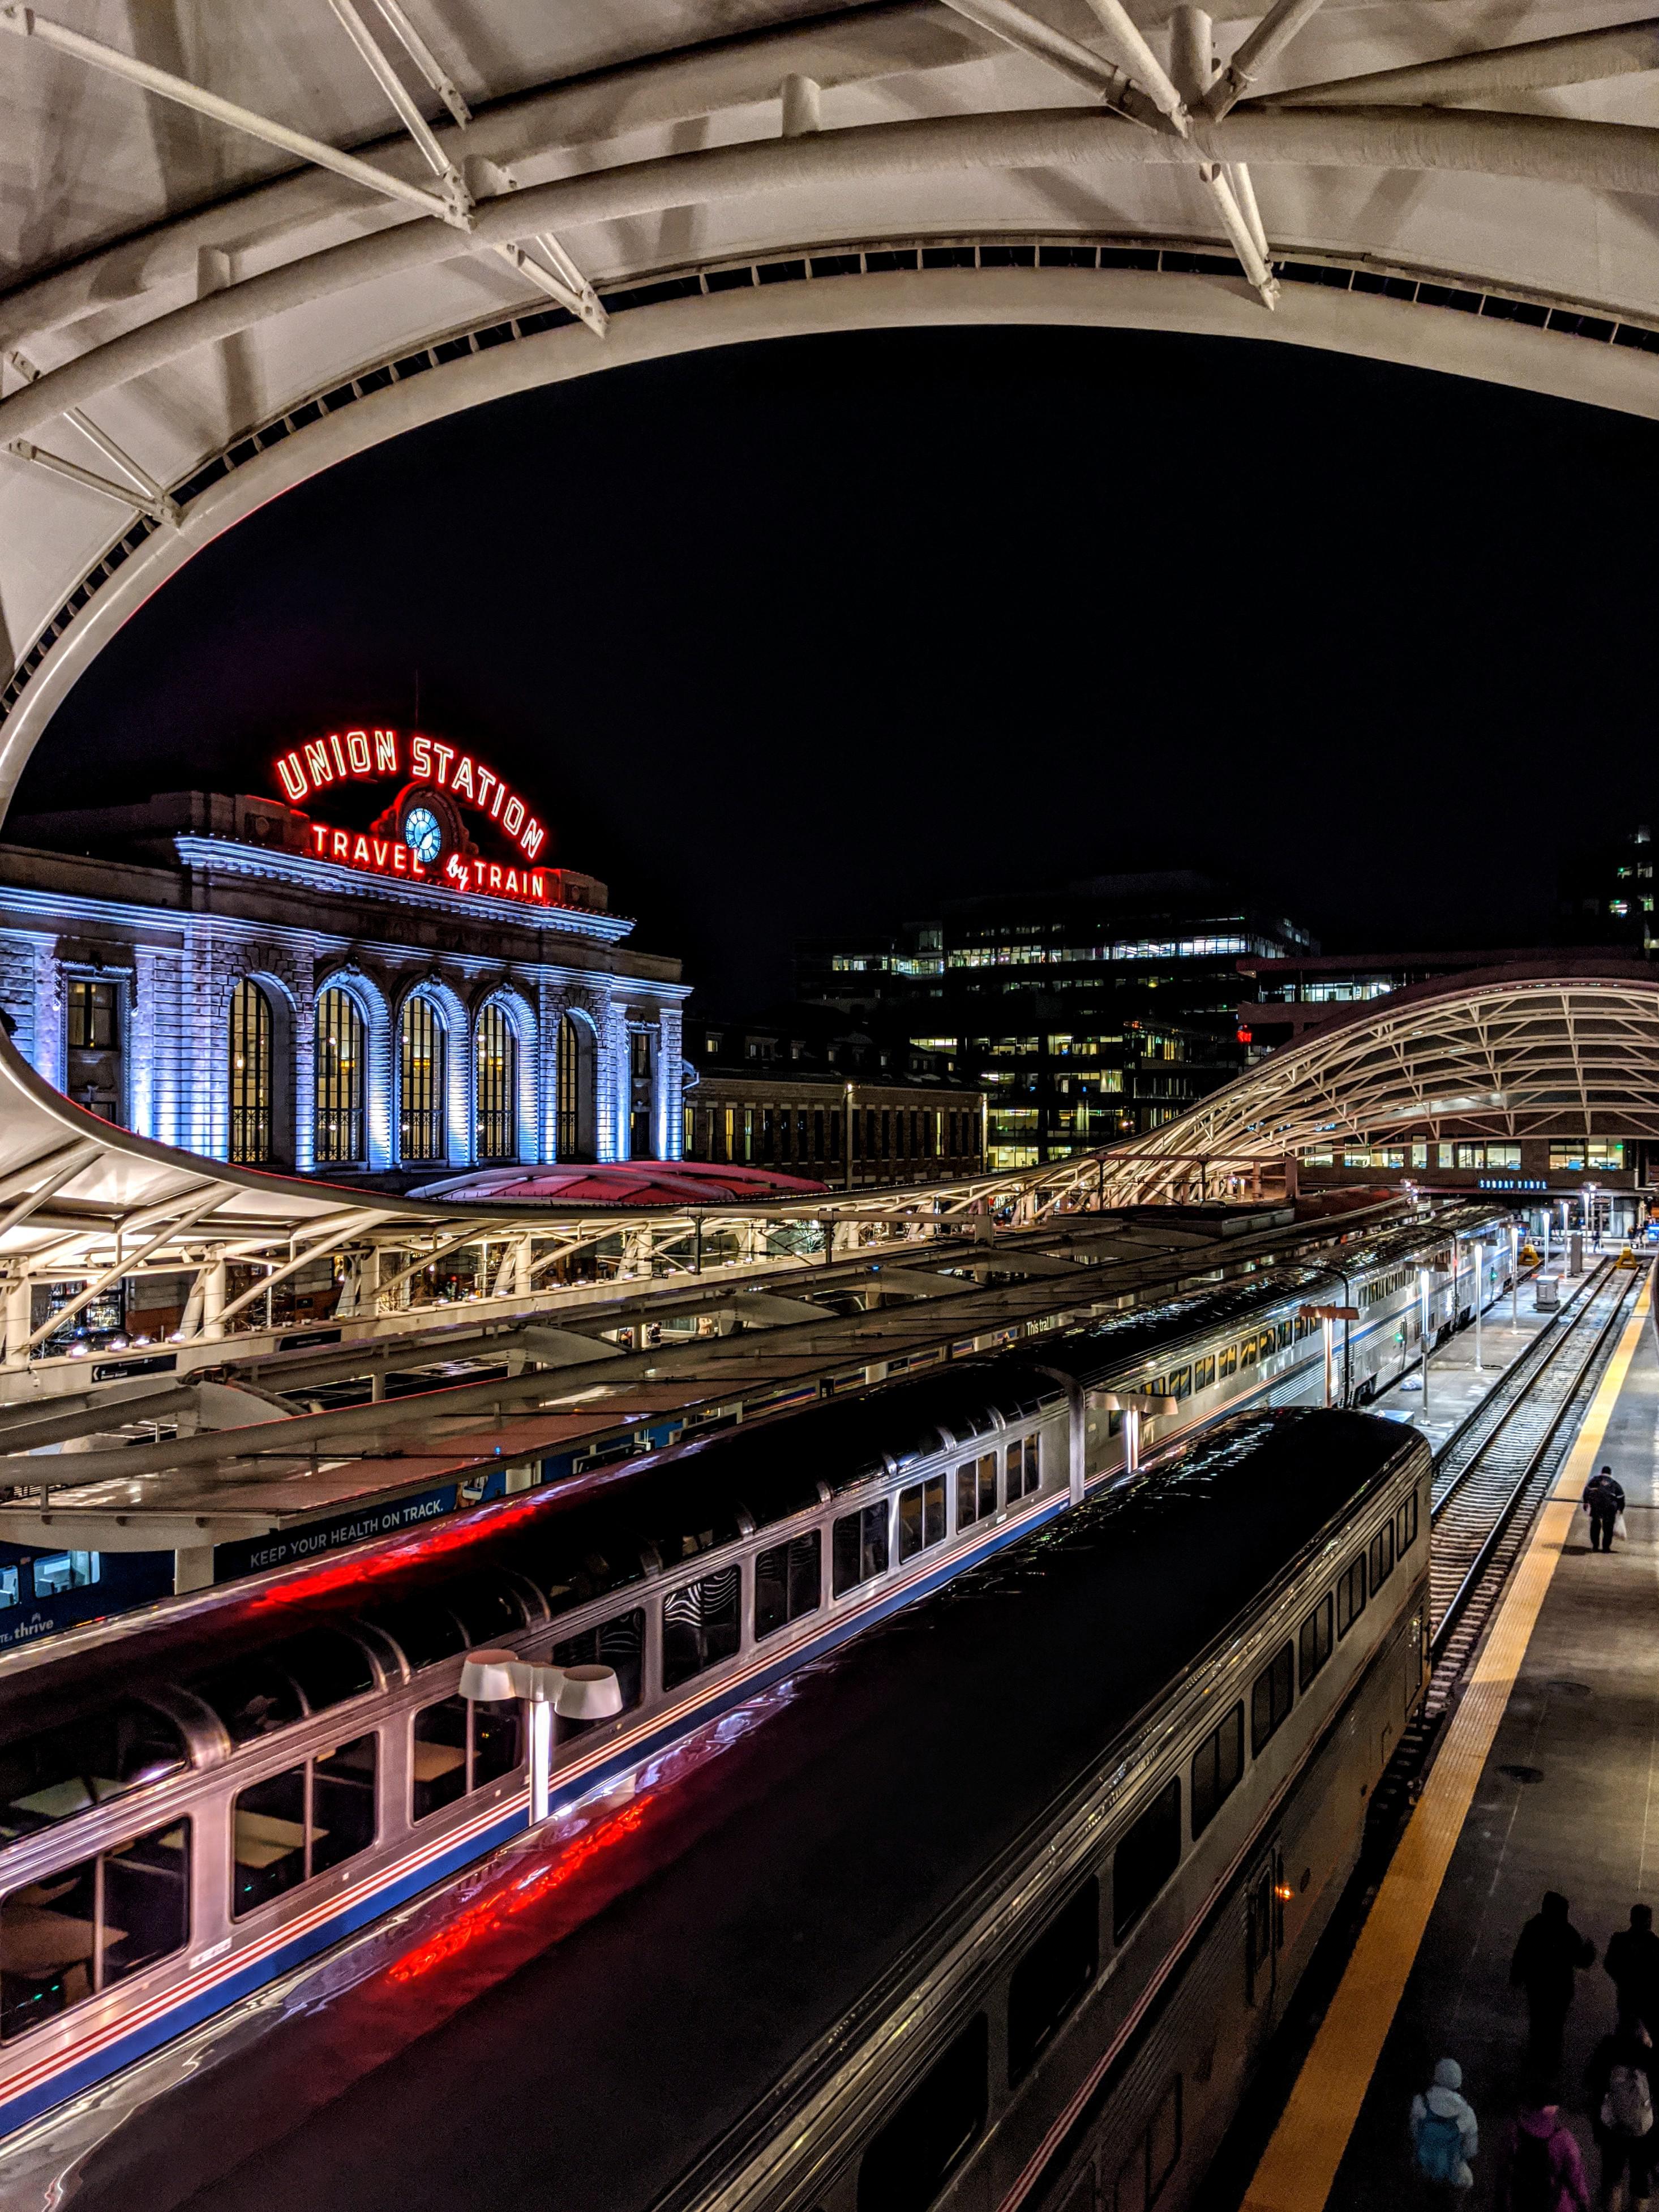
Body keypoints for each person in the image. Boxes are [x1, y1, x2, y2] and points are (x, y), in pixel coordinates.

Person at [1513, 1892, 1598, 2068]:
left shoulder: (1533, 1928)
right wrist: (1590, 1951)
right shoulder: (1567, 1932)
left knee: (1538, 2023)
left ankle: (1536, 2060)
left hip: (1537, 1987)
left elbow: (1521, 1954)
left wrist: (1516, 1977)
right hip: (1560, 1991)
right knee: (1555, 2028)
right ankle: (1549, 2064)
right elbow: (1581, 1960)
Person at [1587, 2016, 1656, 2207]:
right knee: (1641, 2177)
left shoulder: (1608, 2049)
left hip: (1612, 2127)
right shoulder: (1649, 2057)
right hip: (1644, 2131)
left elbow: (1591, 2080)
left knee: (1612, 2177)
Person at [1494, 2090, 1591, 2212]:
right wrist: (1583, 2200)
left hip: (1521, 2200)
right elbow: (1575, 2173)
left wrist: (1501, 2197)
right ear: (1553, 2109)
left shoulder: (1513, 2131)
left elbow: (1503, 2168)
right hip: (1555, 2203)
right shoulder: (1562, 2138)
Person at [1412, 2057, 1480, 2192]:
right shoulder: (1467, 2112)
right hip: (1452, 2174)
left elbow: (1415, 2134)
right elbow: (1471, 2150)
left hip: (1424, 2169)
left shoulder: (1420, 2102)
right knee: (1467, 2181)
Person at [1606, 1908, 1659, 2041]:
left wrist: (1622, 1980)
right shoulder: (1653, 1943)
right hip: (1647, 1997)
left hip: (1628, 1995)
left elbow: (1610, 1965)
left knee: (1627, 2031)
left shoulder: (1620, 1940)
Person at [1583, 1468, 1627, 1554]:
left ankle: (1595, 1546)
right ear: (1610, 1474)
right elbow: (1621, 1498)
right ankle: (1606, 1548)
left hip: (1596, 1506)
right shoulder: (1615, 1484)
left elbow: (1586, 1491)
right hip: (1610, 1508)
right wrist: (1621, 1509)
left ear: (1601, 1472)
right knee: (1608, 1528)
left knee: (1595, 1525)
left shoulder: (1594, 1481)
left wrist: (1586, 1503)